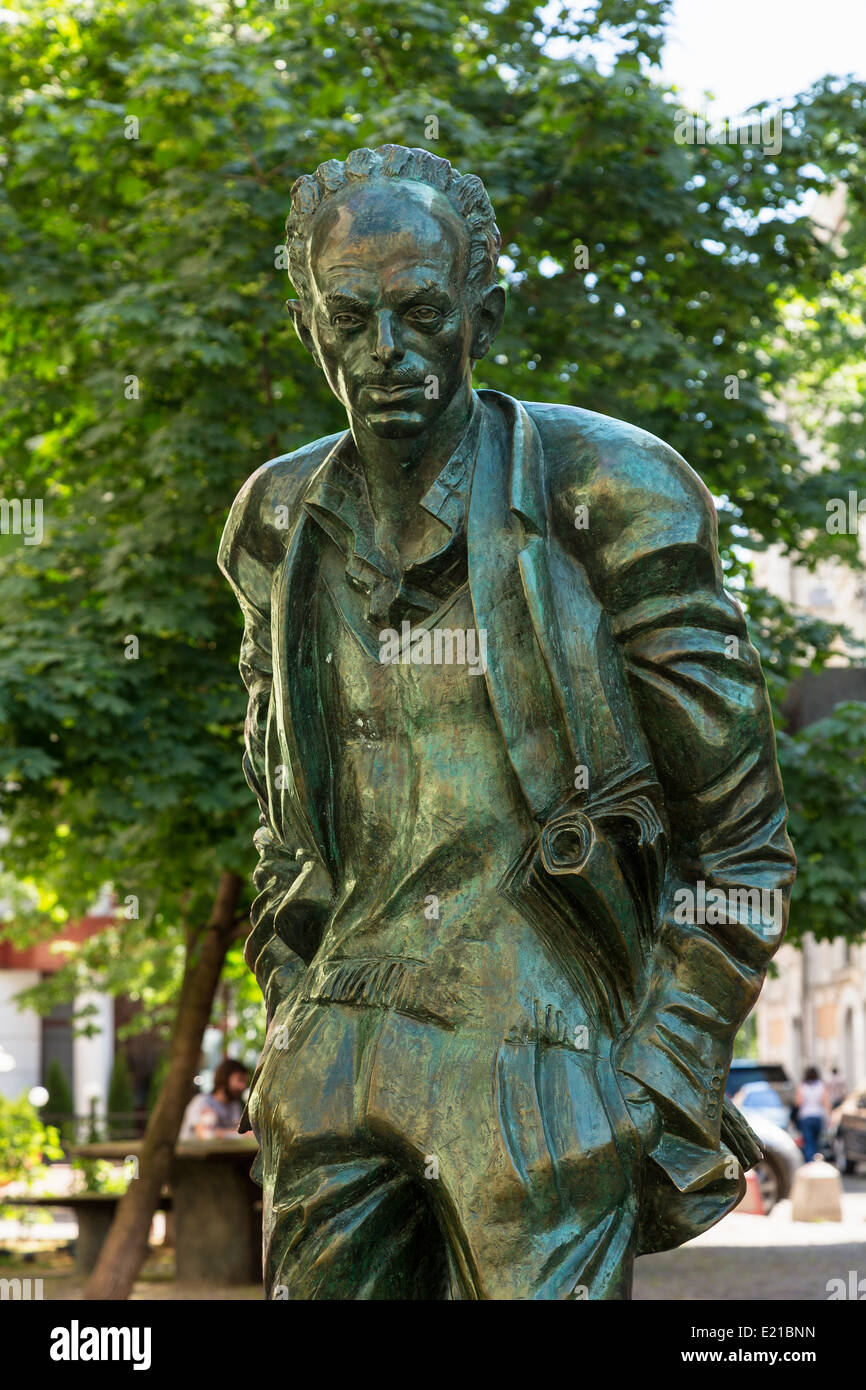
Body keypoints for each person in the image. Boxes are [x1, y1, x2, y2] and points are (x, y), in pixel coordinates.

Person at [219, 144, 796, 1299]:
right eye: (351, 316)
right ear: (306, 324)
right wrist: (292, 1024)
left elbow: (738, 840)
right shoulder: (275, 524)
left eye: (422, 310)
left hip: (538, 1066)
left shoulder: (612, 493)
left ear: (482, 312)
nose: (386, 351)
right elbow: (280, 818)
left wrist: (656, 1075)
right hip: (331, 1053)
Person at [179, 1058, 249, 1140]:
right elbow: (204, 1134)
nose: (243, 1086)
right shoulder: (202, 1102)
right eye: (240, 1080)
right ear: (225, 1078)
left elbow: (238, 1130)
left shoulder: (234, 1105)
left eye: (245, 1081)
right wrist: (243, 1134)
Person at [796, 1067, 831, 1161]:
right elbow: (826, 1102)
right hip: (818, 1116)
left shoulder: (802, 1086)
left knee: (808, 1142)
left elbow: (798, 1102)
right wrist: (829, 1118)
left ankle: (809, 1162)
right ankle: (816, 1160)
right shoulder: (821, 1085)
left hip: (806, 1116)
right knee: (816, 1142)